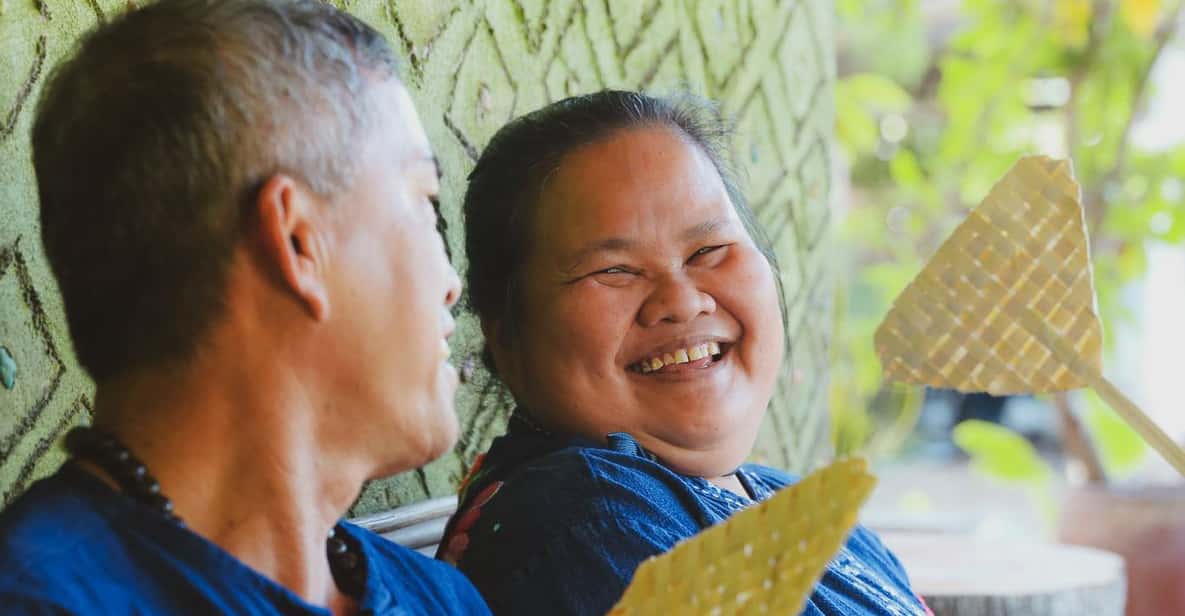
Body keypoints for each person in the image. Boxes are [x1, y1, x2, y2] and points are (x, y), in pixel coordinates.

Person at [0, 1, 489, 614]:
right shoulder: (42, 601)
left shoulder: (443, 598)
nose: (451, 284)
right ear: (296, 241)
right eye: (425, 201)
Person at [438, 90, 931, 616]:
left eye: (708, 251)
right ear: (506, 334)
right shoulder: (589, 521)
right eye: (614, 270)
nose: (682, 301)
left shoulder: (795, 510)